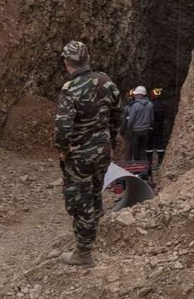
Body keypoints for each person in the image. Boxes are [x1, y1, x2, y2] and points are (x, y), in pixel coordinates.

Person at [54, 40, 124, 268]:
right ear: (87, 59)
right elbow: (118, 114)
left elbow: (63, 128)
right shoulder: (106, 81)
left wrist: (64, 152)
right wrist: (109, 139)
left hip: (80, 156)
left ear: (67, 63)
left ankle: (83, 253)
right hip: (102, 151)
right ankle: (94, 236)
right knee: (95, 192)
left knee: (80, 201)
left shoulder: (70, 90)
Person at [124, 85, 155, 162]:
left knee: (136, 150)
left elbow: (131, 120)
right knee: (143, 149)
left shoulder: (135, 106)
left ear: (140, 95)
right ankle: (143, 169)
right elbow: (152, 119)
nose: (135, 95)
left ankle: (137, 169)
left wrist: (129, 128)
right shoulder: (150, 104)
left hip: (136, 131)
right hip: (146, 130)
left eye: (136, 94)